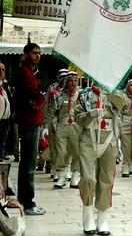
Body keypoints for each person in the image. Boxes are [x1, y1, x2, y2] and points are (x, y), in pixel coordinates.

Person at [75, 85, 125, 236]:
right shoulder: (84, 95)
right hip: (88, 140)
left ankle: (102, 218)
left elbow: (123, 104)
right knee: (87, 178)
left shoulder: (116, 92)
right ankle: (88, 214)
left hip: (109, 140)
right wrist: (90, 113)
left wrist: (110, 92)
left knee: (106, 180)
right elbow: (78, 118)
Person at [15, 42, 46, 215]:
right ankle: (27, 203)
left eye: (39, 53)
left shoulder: (30, 72)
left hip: (30, 119)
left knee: (27, 162)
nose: (38, 56)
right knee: (29, 163)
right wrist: (39, 102)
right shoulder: (25, 73)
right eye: (34, 53)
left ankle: (25, 200)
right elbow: (34, 94)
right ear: (26, 54)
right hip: (29, 120)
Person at [49, 71, 82, 189]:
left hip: (76, 126)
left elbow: (85, 112)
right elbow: (52, 112)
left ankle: (75, 176)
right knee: (60, 151)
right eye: (70, 81)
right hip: (61, 125)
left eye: (75, 81)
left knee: (77, 151)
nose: (73, 83)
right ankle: (61, 175)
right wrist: (50, 126)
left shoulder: (81, 95)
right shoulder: (58, 95)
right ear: (66, 81)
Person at [0, 62, 12, 161]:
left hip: (4, 120)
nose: (1, 72)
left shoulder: (4, 85)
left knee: (2, 140)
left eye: (3, 70)